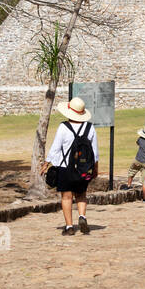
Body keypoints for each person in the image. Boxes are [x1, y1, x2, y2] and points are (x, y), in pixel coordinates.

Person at [40, 97, 99, 236]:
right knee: (81, 194)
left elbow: (56, 147)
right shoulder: (90, 128)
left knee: (66, 197)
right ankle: (82, 216)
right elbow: (95, 151)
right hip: (83, 168)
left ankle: (69, 226)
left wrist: (47, 163)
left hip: (65, 167)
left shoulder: (63, 127)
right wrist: (95, 168)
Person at [126, 126, 145, 200]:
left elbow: (137, 143)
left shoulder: (140, 139)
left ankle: (128, 185)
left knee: (131, 171)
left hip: (137, 160)